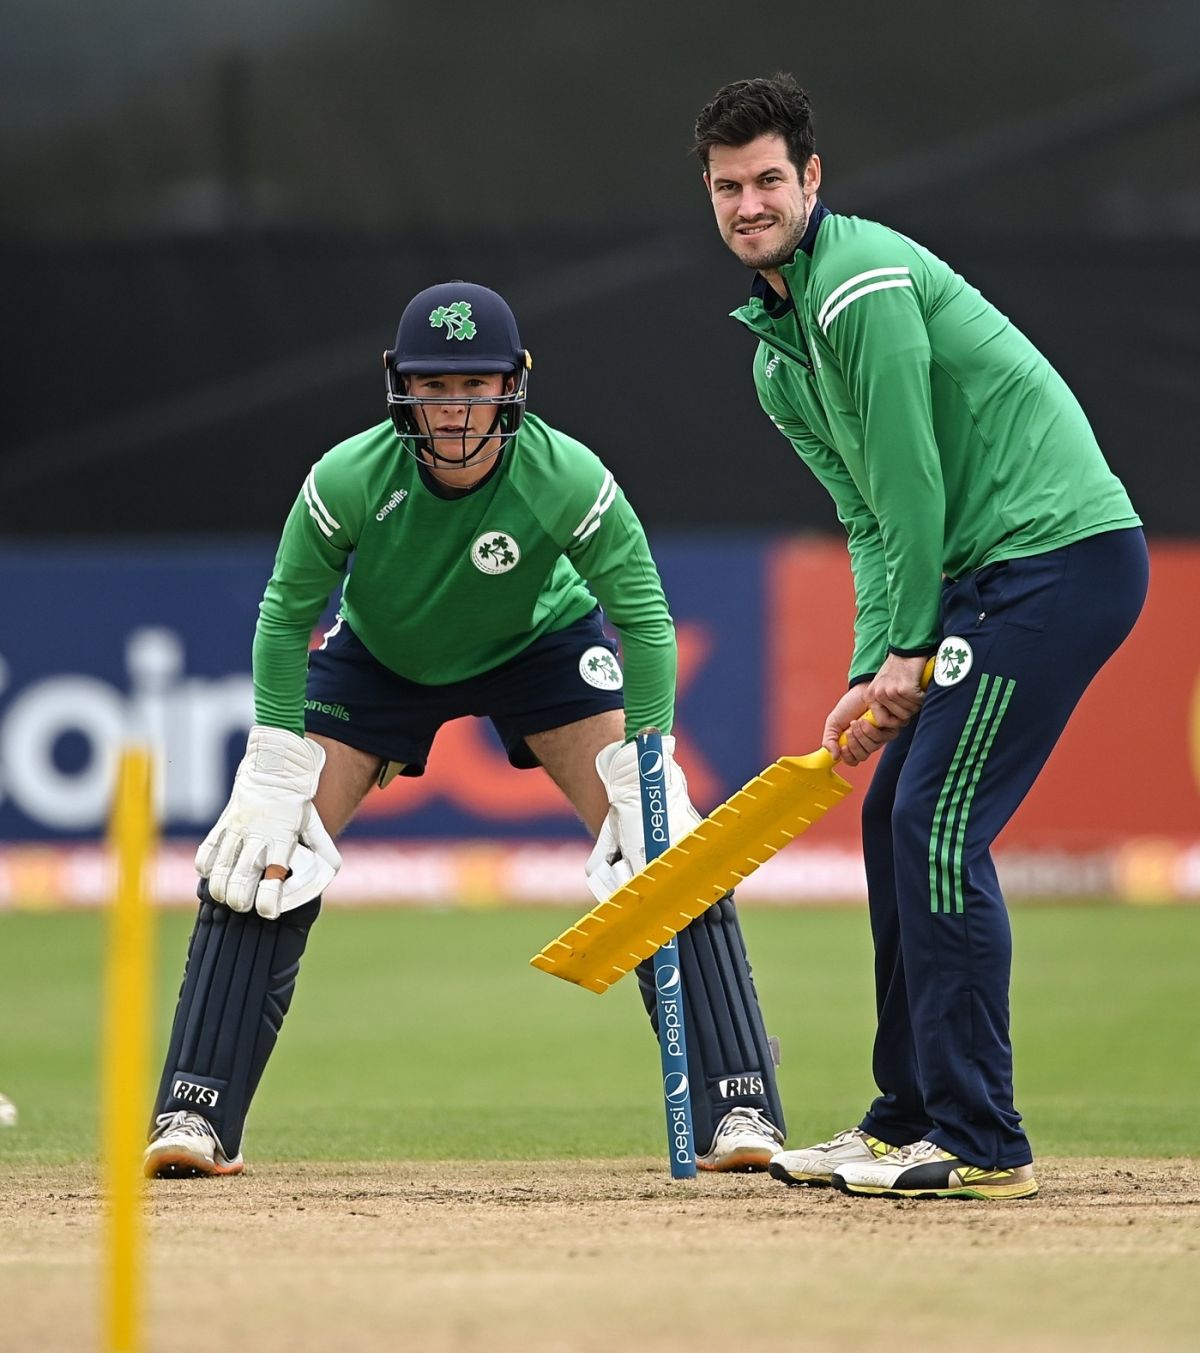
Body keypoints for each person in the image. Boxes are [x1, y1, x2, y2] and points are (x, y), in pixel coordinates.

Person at [143, 280, 786, 1178]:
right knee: (265, 854)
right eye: (435, 387)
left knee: (667, 843)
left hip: (540, 643)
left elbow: (642, 618)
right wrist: (273, 762)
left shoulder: (565, 476)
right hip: (380, 657)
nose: (455, 410)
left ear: (514, 383)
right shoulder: (347, 478)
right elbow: (286, 615)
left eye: (474, 385)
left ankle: (738, 1102)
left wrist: (649, 760)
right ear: (399, 386)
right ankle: (195, 1109)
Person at [691, 76, 1147, 1200]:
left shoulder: (860, 287)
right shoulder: (777, 354)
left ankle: (983, 1142)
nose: (748, 203)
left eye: (766, 180)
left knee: (938, 829)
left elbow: (913, 486)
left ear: (811, 180)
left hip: (1056, 559)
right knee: (900, 818)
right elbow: (863, 517)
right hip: (986, 582)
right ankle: (904, 1118)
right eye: (726, 187)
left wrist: (908, 649)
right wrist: (867, 667)